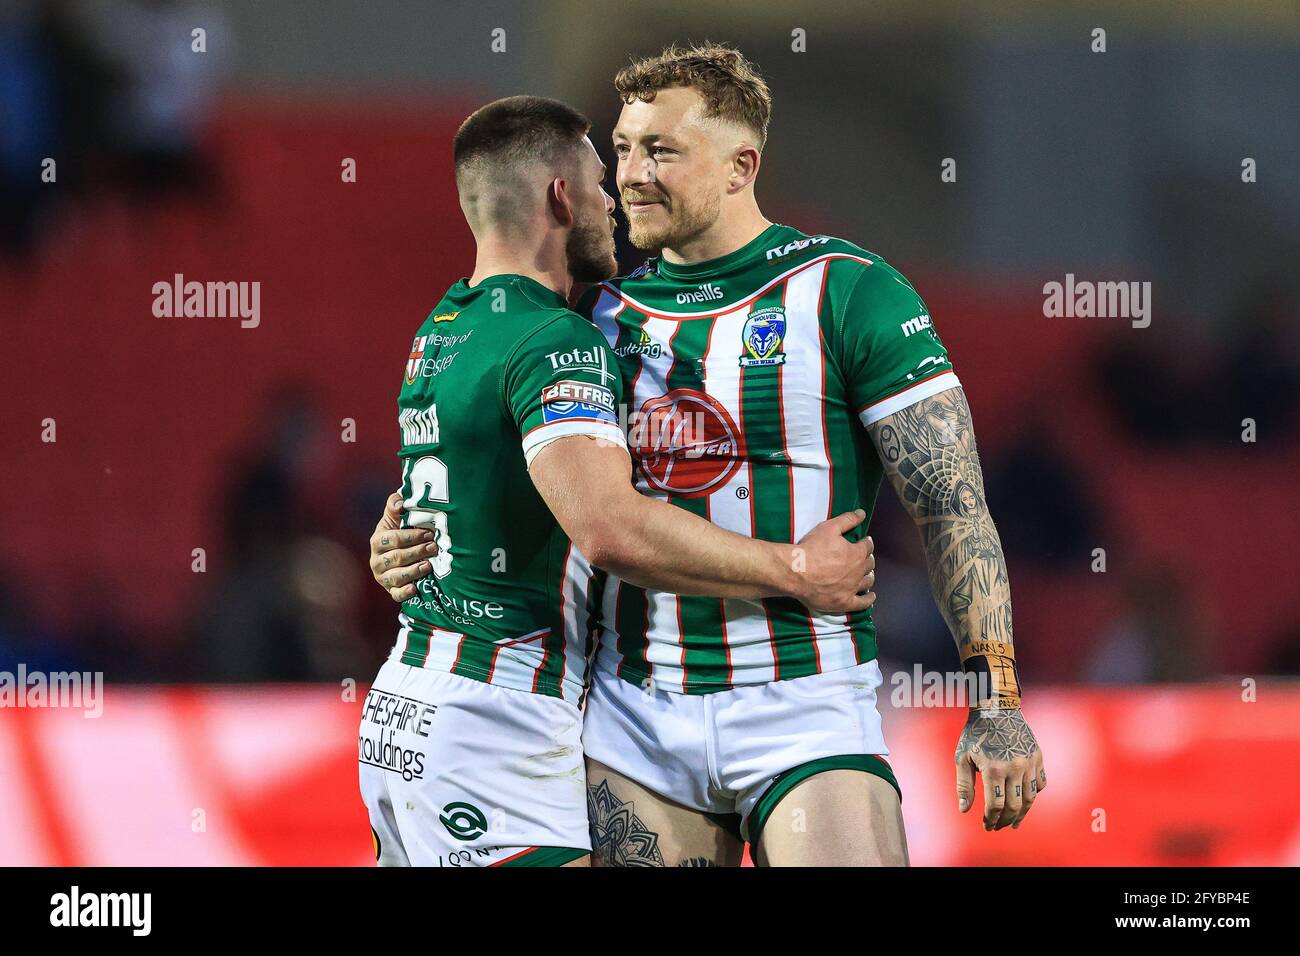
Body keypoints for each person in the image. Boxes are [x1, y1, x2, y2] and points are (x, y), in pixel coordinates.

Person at [372, 43, 1046, 866]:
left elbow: (949, 502)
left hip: (803, 703)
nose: (630, 176)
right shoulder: (592, 317)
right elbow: (497, 478)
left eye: (660, 151)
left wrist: (997, 696)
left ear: (740, 166)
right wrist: (405, 542)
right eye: (622, 150)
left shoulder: (848, 290)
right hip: (631, 717)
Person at [360, 94, 874, 868]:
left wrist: (389, 547)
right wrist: (795, 568)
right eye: (600, 180)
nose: (615, 199)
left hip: (408, 706)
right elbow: (607, 527)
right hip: (495, 716)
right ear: (560, 197)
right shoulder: (554, 339)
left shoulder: (443, 328)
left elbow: (454, 498)